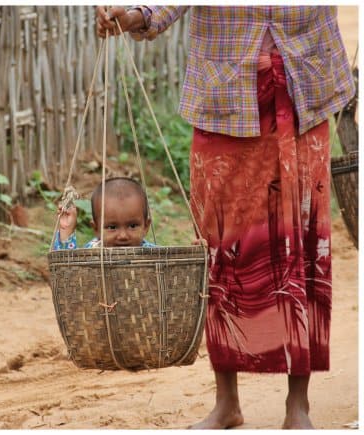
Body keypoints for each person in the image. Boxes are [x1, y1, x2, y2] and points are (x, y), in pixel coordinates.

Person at [96, 6, 355, 429]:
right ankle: (226, 402)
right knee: (223, 249)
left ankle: (298, 405)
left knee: (302, 247)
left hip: (303, 91)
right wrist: (135, 14)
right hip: (225, 101)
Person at [55, 177, 155, 249]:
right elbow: (69, 266)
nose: (123, 236)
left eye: (132, 226)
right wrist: (66, 231)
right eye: (112, 227)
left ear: (146, 227)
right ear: (96, 229)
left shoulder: (153, 255)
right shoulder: (93, 252)